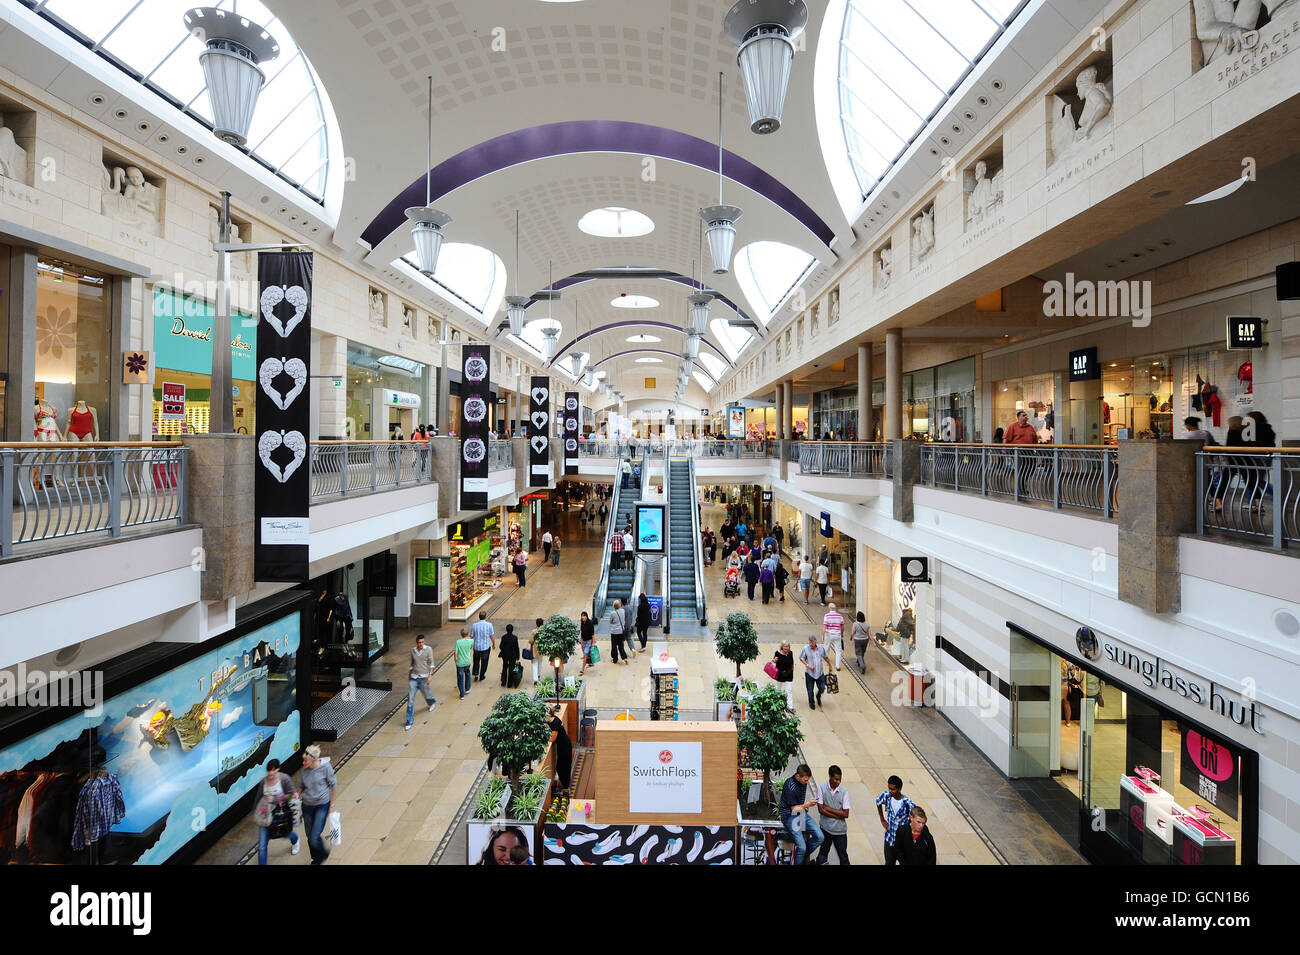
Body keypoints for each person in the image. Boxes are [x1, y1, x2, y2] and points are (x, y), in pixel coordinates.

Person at [253, 759, 300, 864]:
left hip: (280, 815)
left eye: (273, 773)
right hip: (266, 816)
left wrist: (275, 800)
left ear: (278, 770)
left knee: (285, 834)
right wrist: (256, 812)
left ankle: (295, 840)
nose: (270, 775)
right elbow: (258, 797)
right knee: (262, 846)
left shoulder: (284, 779)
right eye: (269, 773)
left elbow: (291, 795)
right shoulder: (263, 782)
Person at [779, 764, 824, 866]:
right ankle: (800, 857)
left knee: (820, 837)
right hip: (789, 815)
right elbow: (793, 809)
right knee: (802, 847)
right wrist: (807, 804)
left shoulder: (803, 782)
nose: (807, 782)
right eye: (805, 780)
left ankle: (800, 856)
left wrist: (806, 805)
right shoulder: (790, 786)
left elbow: (800, 805)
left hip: (800, 813)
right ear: (798, 776)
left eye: (808, 780)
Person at [299, 744, 336, 865]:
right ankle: (316, 859)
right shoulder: (304, 770)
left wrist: (332, 804)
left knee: (315, 836)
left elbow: (333, 785)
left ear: (313, 760)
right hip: (307, 805)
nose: (303, 763)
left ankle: (323, 856)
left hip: (322, 804)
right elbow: (301, 786)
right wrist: (296, 793)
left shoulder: (326, 768)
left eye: (306, 760)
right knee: (310, 836)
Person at [876, 774, 917, 865]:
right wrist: (882, 820)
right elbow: (878, 802)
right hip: (889, 838)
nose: (890, 791)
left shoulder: (907, 804)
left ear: (899, 789)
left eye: (893, 789)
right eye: (889, 788)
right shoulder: (886, 796)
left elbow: (917, 816)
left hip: (902, 843)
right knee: (889, 862)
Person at [815, 765, 851, 865]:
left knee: (843, 856)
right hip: (825, 828)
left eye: (840, 779)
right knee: (823, 854)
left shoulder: (844, 792)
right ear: (830, 777)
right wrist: (839, 815)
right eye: (836, 779)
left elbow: (846, 814)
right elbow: (821, 810)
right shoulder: (821, 788)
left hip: (840, 831)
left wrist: (829, 809)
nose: (838, 782)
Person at [404, 633, 437, 731]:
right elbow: (412, 663)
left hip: (423, 677)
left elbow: (431, 664)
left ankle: (431, 703)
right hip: (414, 677)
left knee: (426, 694)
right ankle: (409, 721)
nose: (421, 644)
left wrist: (430, 676)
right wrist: (409, 674)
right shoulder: (413, 650)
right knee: (410, 699)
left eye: (422, 642)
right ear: (416, 642)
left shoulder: (428, 650)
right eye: (419, 642)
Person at [800, 634, 829, 710]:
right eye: (809, 643)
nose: (810, 644)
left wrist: (830, 665)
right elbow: (801, 658)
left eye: (812, 643)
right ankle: (811, 702)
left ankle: (818, 696)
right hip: (810, 674)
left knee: (822, 688)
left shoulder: (821, 648)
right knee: (810, 690)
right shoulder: (805, 649)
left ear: (815, 642)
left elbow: (825, 657)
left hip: (820, 673)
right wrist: (807, 665)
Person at [549, 705, 572, 792]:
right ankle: (564, 785)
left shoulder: (555, 723)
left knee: (563, 767)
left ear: (548, 715)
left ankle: (566, 788)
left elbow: (552, 739)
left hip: (564, 746)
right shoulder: (554, 718)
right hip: (563, 745)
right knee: (561, 767)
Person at [470, 610, 495, 682]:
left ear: (479, 617)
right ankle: (482, 675)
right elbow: (491, 636)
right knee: (484, 662)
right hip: (485, 647)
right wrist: (493, 644)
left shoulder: (474, 625)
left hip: (476, 647)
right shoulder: (489, 625)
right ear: (485, 617)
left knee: (476, 661)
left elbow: (471, 636)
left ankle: (476, 674)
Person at [772, 642, 795, 708]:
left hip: (789, 674)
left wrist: (792, 670)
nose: (786, 648)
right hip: (780, 674)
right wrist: (774, 660)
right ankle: (776, 704)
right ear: (782, 647)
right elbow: (774, 660)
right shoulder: (777, 653)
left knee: (789, 691)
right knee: (778, 689)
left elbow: (792, 662)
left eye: (787, 646)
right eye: (785, 646)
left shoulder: (790, 653)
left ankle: (790, 707)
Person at [822, 602, 845, 671]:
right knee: (838, 651)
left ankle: (826, 661)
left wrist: (822, 636)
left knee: (826, 648)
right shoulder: (840, 616)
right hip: (837, 635)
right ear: (835, 608)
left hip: (829, 634)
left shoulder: (827, 616)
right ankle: (838, 666)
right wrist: (842, 633)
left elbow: (824, 626)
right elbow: (842, 626)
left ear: (829, 608)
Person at [499, 623, 521, 687]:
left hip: (505, 655)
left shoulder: (504, 637)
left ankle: (503, 682)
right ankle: (509, 683)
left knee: (505, 667)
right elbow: (517, 648)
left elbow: (500, 646)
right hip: (512, 655)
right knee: (511, 668)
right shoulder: (514, 638)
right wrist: (518, 656)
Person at [455, 627, 474, 699]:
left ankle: (462, 694)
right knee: (468, 674)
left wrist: (455, 659)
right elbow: (470, 648)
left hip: (460, 662)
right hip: (467, 661)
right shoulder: (471, 641)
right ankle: (467, 689)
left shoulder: (458, 642)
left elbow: (455, 652)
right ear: (468, 634)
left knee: (460, 678)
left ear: (461, 634)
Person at [609, 600, 629, 664]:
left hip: (614, 632)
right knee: (621, 645)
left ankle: (615, 659)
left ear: (614, 606)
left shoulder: (612, 613)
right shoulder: (623, 611)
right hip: (621, 631)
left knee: (614, 646)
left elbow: (610, 621)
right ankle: (624, 658)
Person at [528, 617, 544, 684]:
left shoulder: (534, 631)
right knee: (540, 663)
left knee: (534, 664)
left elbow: (531, 641)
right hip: (541, 650)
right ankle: (538, 675)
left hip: (534, 650)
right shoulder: (544, 631)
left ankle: (535, 680)